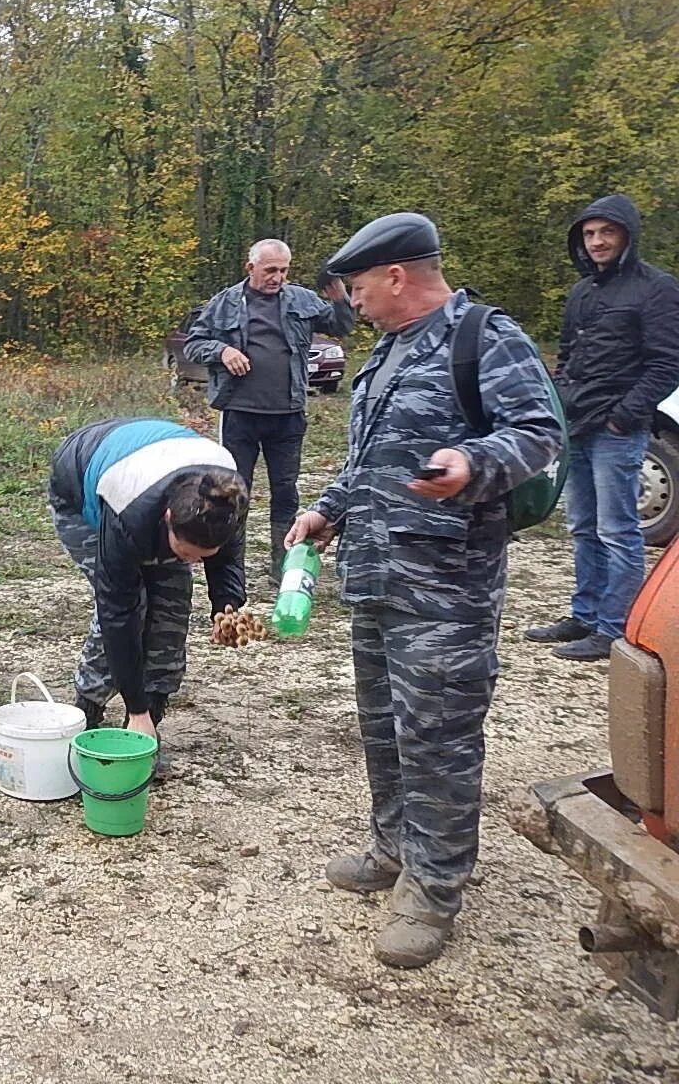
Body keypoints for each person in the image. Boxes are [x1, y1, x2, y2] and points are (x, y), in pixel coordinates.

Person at [285, 212, 561, 969]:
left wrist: (474, 463)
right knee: (384, 728)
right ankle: (392, 848)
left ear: (398, 276)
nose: (353, 301)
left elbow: (539, 432)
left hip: (447, 590)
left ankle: (435, 889)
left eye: (358, 287)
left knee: (438, 739)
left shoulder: (485, 337)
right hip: (376, 577)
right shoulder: (385, 353)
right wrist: (328, 511)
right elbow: (368, 457)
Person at [526, 195, 679, 661]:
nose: (597, 241)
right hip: (577, 426)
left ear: (627, 234)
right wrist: (559, 406)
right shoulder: (582, 292)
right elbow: (568, 356)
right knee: (583, 527)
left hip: (618, 429)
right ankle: (585, 614)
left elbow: (667, 364)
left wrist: (623, 416)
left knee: (618, 530)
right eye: (589, 233)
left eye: (606, 232)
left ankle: (614, 628)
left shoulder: (657, 288)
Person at [47, 418, 249, 750]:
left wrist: (226, 605)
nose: (192, 563)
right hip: (81, 484)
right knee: (135, 604)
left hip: (155, 464)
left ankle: (149, 721)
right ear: (168, 519)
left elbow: (228, 556)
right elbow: (117, 612)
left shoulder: (229, 501)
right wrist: (134, 706)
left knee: (172, 607)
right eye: (186, 553)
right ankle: (88, 708)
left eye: (202, 557)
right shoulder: (129, 514)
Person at [182, 239, 355, 592]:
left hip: (288, 415)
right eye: (271, 270)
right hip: (239, 413)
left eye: (283, 271)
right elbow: (194, 343)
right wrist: (222, 350)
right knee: (233, 491)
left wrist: (338, 294)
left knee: (286, 491)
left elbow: (341, 325)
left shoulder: (302, 299)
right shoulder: (224, 302)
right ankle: (231, 570)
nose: (278, 277)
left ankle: (282, 565)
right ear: (251, 268)